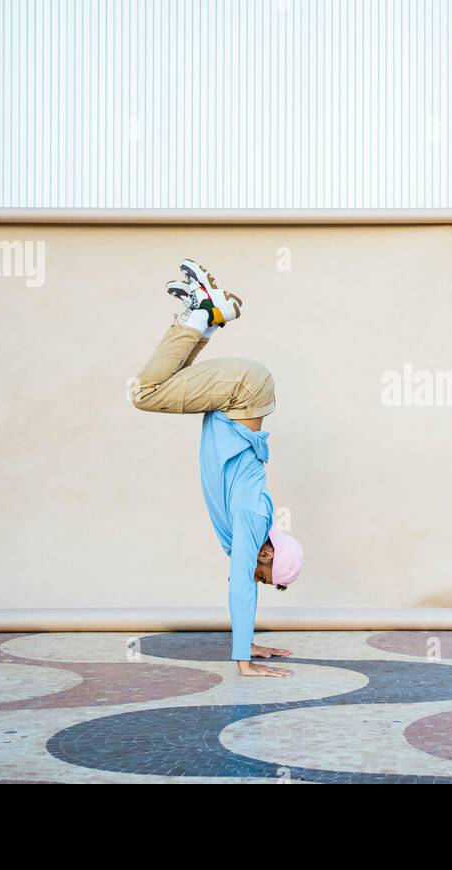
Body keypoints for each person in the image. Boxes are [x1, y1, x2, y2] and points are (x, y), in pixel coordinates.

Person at [131, 259, 304, 678]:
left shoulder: (251, 524)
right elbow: (242, 587)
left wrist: (249, 642)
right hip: (242, 391)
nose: (261, 580)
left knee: (167, 381)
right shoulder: (250, 519)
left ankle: (208, 317)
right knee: (144, 393)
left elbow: (241, 583)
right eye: (268, 575)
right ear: (267, 554)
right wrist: (242, 661)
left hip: (244, 392)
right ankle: (202, 311)